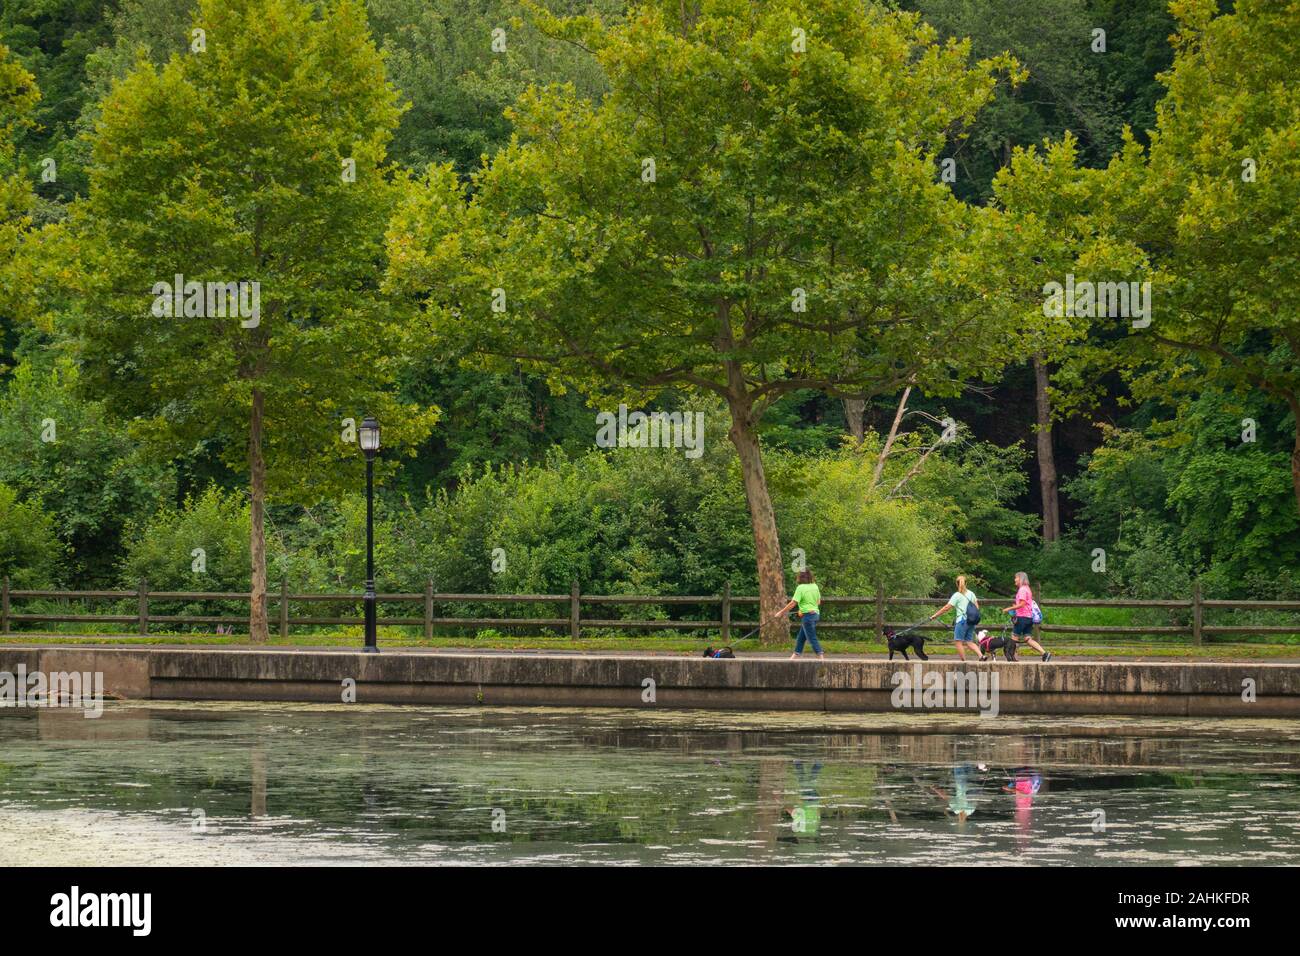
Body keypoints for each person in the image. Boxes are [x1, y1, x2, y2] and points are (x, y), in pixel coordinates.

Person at [927, 575, 982, 661]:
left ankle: (963, 661)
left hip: (962, 621)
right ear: (966, 583)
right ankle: (981, 656)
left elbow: (946, 608)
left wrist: (935, 615)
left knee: (958, 641)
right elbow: (977, 608)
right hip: (971, 621)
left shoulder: (957, 595)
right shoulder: (971, 594)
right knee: (969, 641)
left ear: (957, 584)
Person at [1001, 571, 1052, 662]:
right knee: (1028, 639)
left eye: (1016, 578)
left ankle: (1014, 658)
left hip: (1022, 618)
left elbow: (1022, 604)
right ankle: (1044, 653)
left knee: (1014, 638)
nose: (1014, 580)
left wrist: (1009, 608)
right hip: (1029, 618)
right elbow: (1025, 603)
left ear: (1020, 578)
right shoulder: (1027, 588)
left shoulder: (1022, 590)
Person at [781, 569, 823, 660]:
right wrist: (803, 610)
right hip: (815, 615)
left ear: (800, 578)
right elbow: (818, 602)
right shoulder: (815, 586)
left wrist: (781, 612)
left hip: (808, 617)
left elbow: (793, 603)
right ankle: (794, 657)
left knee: (811, 637)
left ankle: (821, 658)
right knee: (801, 637)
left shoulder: (800, 588)